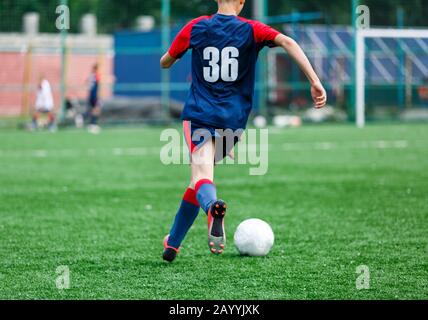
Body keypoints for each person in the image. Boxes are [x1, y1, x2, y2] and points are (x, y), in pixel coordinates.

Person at [160, 0, 327, 262]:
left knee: (201, 177)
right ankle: (173, 243)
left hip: (200, 115)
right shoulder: (252, 29)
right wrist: (315, 82)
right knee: (198, 179)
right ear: (242, 2)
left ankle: (211, 209)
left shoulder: (197, 27)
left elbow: (166, 62)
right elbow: (288, 42)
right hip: (233, 121)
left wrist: (174, 55)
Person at [87, 63, 101, 134]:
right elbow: (99, 81)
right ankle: (94, 124)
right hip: (94, 95)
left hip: (90, 95)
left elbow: (87, 83)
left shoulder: (91, 76)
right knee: (96, 110)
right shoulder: (96, 76)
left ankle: (91, 124)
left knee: (92, 110)